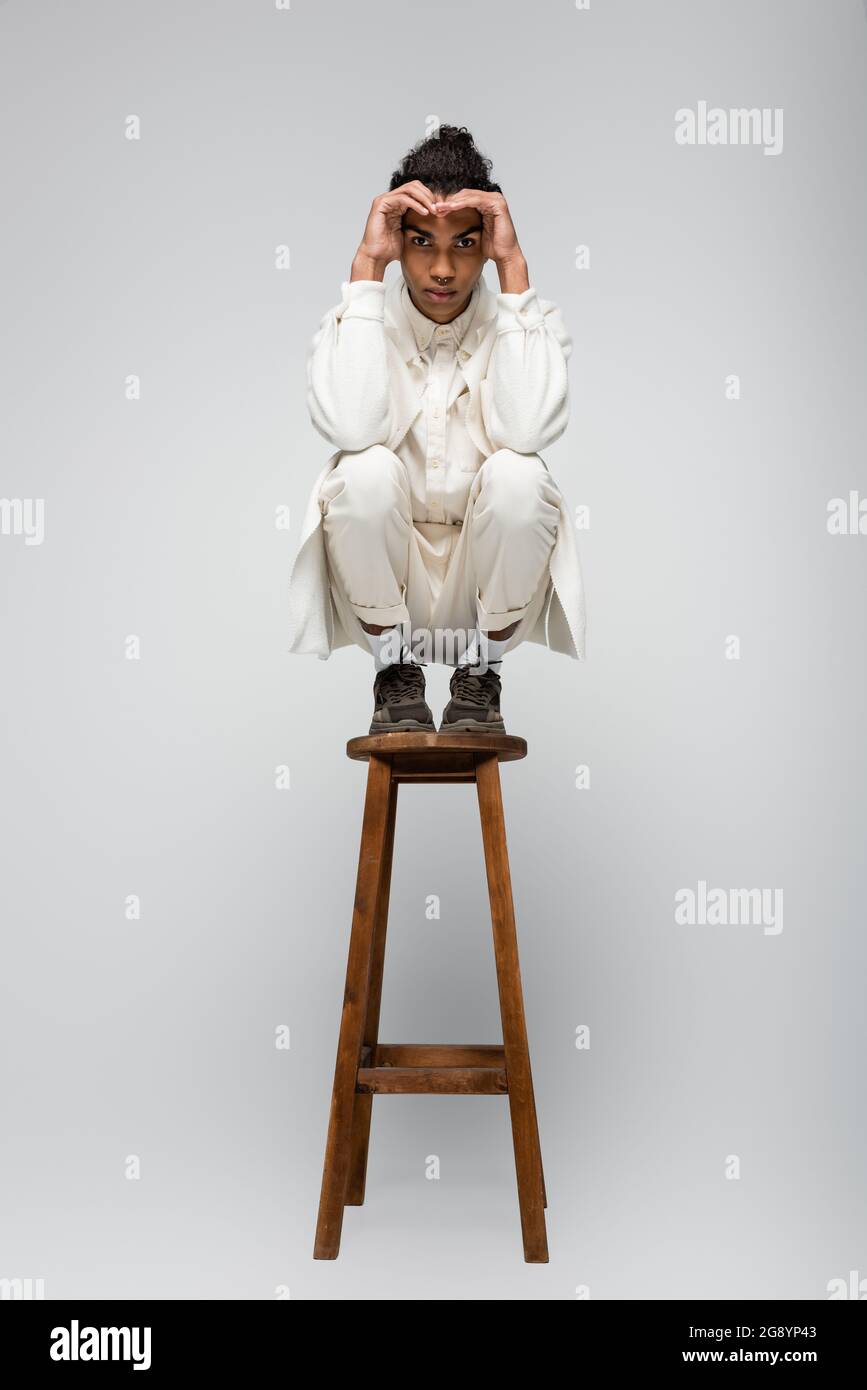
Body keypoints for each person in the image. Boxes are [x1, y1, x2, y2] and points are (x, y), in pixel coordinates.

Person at [287, 124, 586, 735]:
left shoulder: (531, 323)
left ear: (486, 246)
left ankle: (480, 675)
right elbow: (349, 425)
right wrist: (366, 268)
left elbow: (527, 430)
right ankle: (395, 671)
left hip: (489, 591)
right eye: (422, 241)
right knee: (361, 469)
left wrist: (514, 267)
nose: (443, 268)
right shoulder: (355, 322)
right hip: (385, 587)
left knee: (519, 474)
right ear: (398, 242)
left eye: (467, 244)